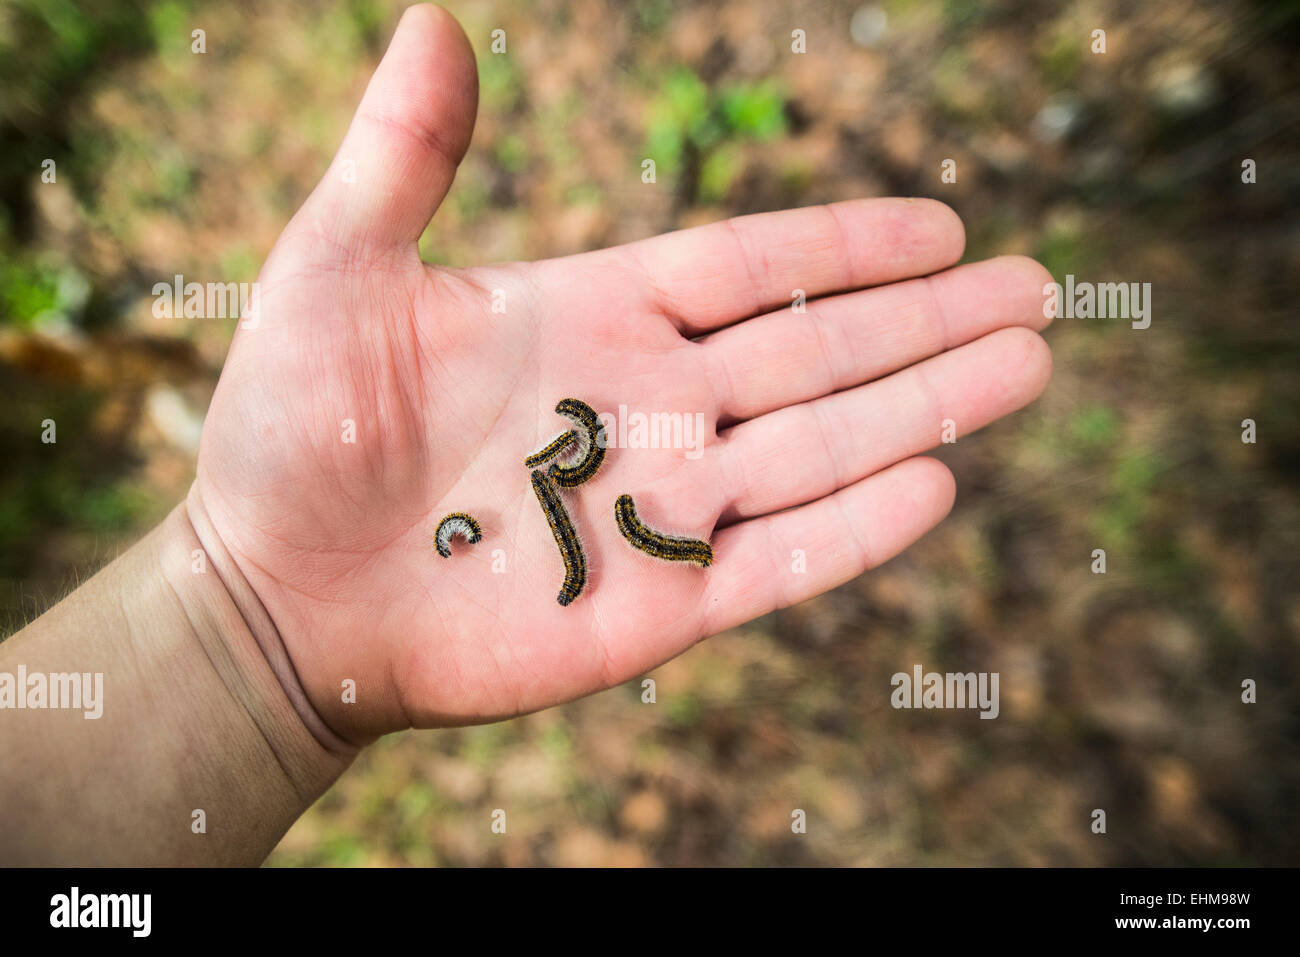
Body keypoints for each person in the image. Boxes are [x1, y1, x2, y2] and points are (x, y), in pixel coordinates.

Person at [0, 4, 1053, 864]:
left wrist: (238, 628)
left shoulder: (572, 473)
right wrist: (243, 618)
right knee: (582, 504)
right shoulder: (548, 481)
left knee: (585, 500)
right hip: (562, 485)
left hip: (567, 482)